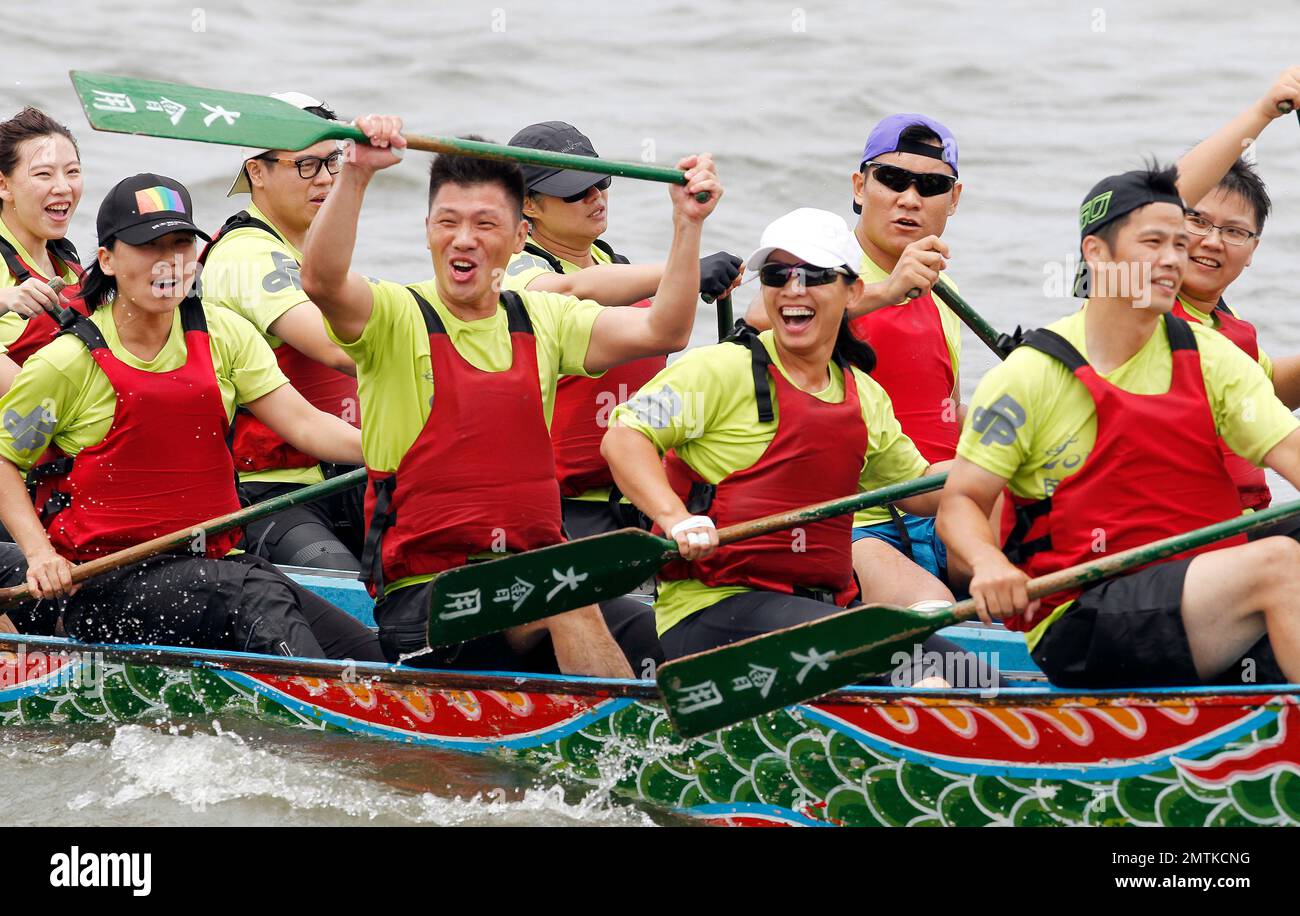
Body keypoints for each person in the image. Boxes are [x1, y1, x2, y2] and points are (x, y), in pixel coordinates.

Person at [300, 116, 722, 678]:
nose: (464, 239)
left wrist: (686, 223)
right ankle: (620, 751)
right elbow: (322, 282)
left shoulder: (540, 317)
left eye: (485, 223)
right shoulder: (395, 315)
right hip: (429, 603)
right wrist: (354, 174)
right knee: (567, 597)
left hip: (529, 582)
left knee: (660, 634)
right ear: (428, 229)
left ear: (520, 237)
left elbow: (663, 331)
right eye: (448, 222)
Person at [938, 163, 1300, 689]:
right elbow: (961, 502)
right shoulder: (1029, 374)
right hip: (1079, 617)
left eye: (1179, 243)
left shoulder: (1214, 357)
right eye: (1153, 242)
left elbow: (1289, 450)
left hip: (1197, 587)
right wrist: (988, 562)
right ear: (1096, 253)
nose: (1173, 259)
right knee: (1278, 563)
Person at [0, 173, 381, 662]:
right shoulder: (66, 362)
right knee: (255, 596)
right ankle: (328, 723)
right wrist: (39, 554)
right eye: (149, 245)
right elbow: (6, 459)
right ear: (108, 260)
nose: (170, 262)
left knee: (366, 652)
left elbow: (306, 425)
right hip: (107, 583)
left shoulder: (223, 334)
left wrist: (400, 451)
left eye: (181, 244)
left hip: (218, 563)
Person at [602, 208, 965, 686]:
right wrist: (675, 518)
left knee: (964, 668)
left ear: (853, 291)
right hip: (713, 612)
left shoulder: (863, 395)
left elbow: (918, 490)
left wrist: (1002, 470)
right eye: (776, 275)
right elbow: (624, 437)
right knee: (915, 664)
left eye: (814, 275)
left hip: (819, 610)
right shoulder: (719, 371)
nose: (793, 289)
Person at [503, 120, 742, 538]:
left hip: (644, 498)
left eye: (601, 181)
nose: (596, 197)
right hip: (560, 508)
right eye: (575, 190)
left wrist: (691, 241)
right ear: (528, 205)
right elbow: (569, 290)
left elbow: (672, 335)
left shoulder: (619, 265)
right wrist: (684, 271)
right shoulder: (514, 268)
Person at [200, 93, 365, 570]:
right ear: (257, 171)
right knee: (345, 581)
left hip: (343, 473)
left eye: (334, 163)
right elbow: (338, 348)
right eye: (307, 167)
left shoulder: (313, 252)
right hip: (269, 491)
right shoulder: (246, 254)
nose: (327, 180)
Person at [1166, 66, 1300, 509]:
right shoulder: (1134, 300)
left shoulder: (1227, 325)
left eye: (1234, 232)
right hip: (1171, 537)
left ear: (1253, 248)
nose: (1211, 241)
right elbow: (1166, 194)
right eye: (1197, 220)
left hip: (1246, 525)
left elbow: (1264, 392)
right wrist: (1265, 111)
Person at [0, 108, 89, 374]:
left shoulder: (66, 258)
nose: (63, 187)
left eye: (72, 171)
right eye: (43, 174)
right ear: (4, 186)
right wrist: (5, 299)